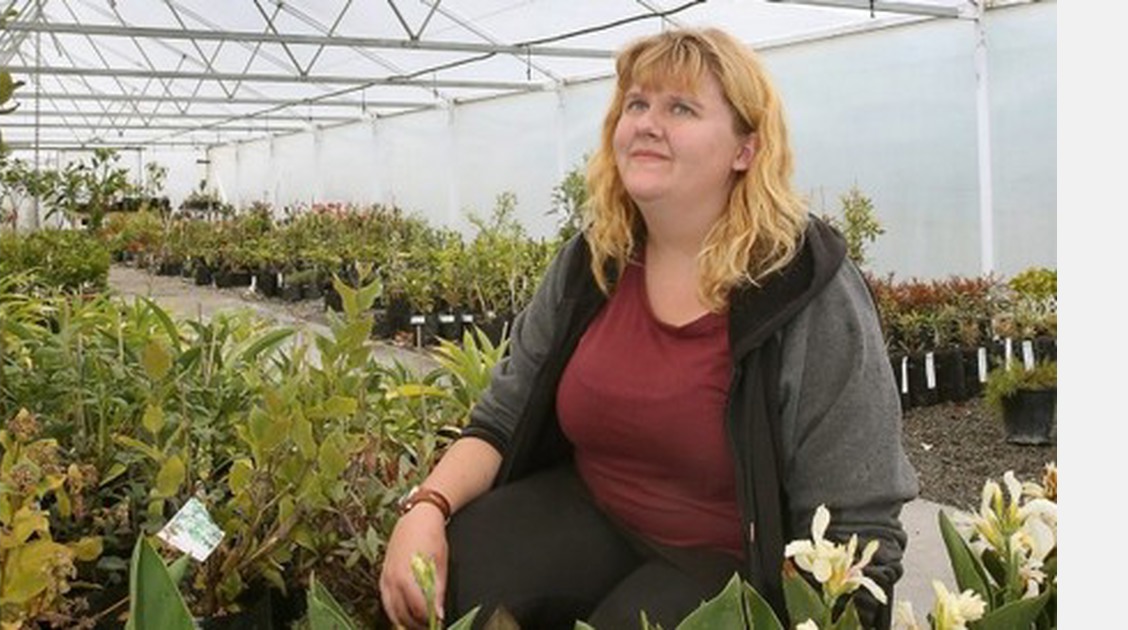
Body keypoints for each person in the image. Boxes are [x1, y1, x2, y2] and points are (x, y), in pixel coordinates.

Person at [380, 26, 919, 630]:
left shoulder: (804, 286)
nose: (647, 123)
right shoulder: (594, 263)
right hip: (594, 509)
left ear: (746, 148)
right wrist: (424, 508)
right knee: (468, 566)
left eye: (681, 107)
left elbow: (859, 518)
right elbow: (502, 417)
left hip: (724, 558)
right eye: (636, 104)